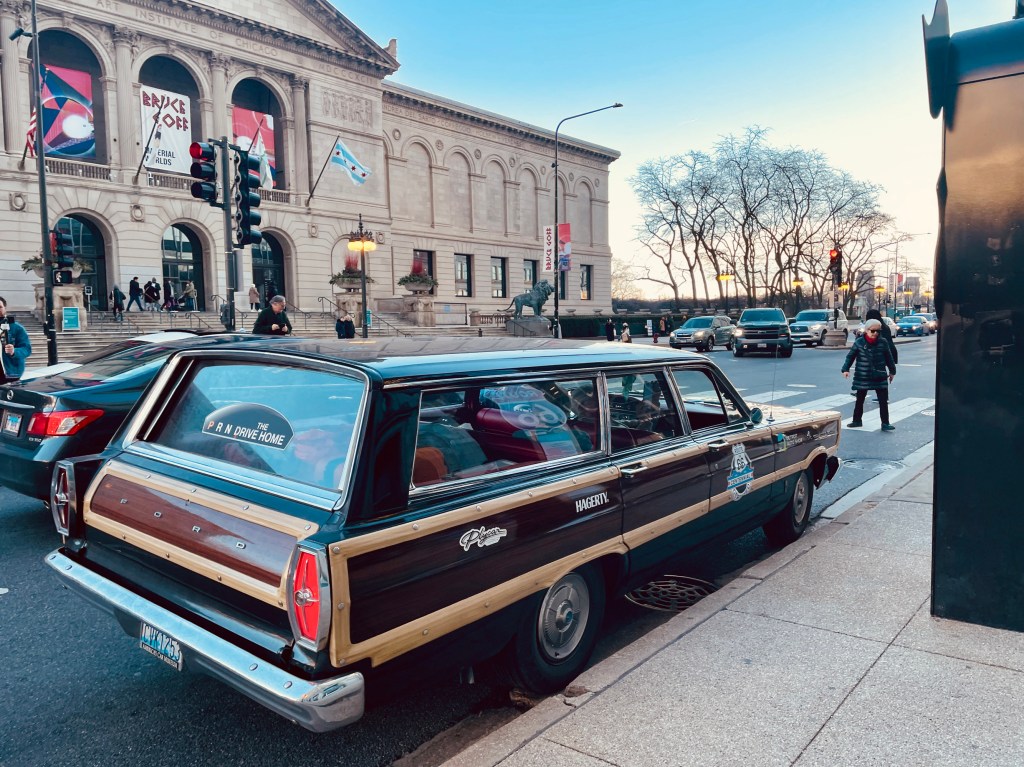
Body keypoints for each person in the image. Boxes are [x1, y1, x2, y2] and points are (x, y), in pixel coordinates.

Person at [841, 318, 897, 431]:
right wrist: (845, 369)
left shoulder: (883, 342)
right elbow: (850, 356)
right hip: (863, 375)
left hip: (879, 375)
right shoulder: (859, 342)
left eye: (878, 331)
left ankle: (885, 423)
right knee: (860, 399)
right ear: (866, 330)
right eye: (873, 331)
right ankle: (856, 421)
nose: (875, 333)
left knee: (883, 400)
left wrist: (892, 371)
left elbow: (889, 357)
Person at [0, 296, 32, 382]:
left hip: (10, 374)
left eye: (0, 307)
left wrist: (14, 351)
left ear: (5, 308)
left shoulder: (17, 328)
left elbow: (27, 349)